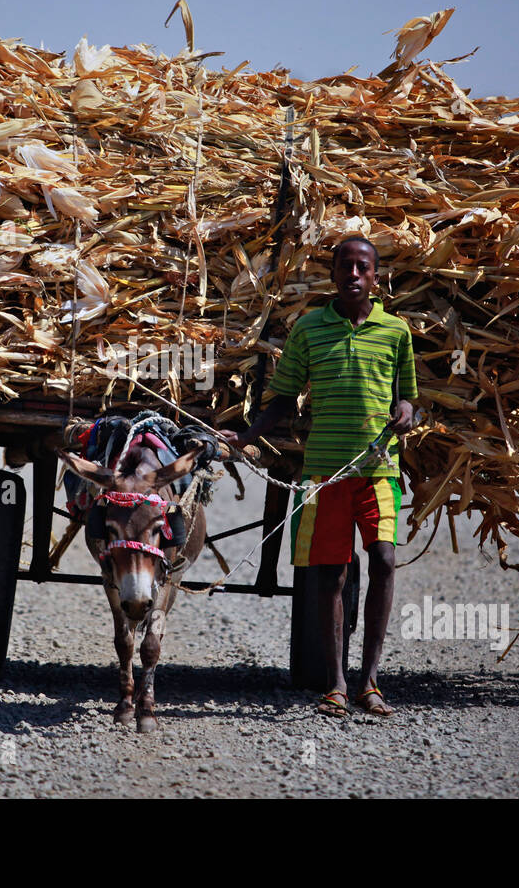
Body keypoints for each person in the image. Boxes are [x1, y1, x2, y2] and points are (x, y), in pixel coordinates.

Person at [222, 236, 417, 718]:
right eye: (345, 267)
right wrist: (246, 438)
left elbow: (410, 396)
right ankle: (335, 684)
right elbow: (284, 399)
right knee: (331, 574)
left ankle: (369, 681)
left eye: (362, 267)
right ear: (333, 275)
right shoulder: (310, 330)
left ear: (375, 277)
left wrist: (407, 412)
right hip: (324, 476)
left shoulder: (395, 333)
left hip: (378, 470)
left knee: (386, 561)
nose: (353, 274)